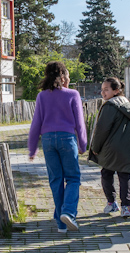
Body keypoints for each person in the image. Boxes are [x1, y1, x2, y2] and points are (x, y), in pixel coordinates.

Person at [28, 61, 88, 232]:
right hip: (67, 140)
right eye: (67, 77)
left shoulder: (42, 96)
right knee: (73, 178)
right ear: (62, 78)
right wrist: (83, 144)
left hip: (47, 141)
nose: (68, 80)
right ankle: (68, 212)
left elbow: (36, 124)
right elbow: (80, 124)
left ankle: (61, 224)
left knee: (56, 180)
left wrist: (32, 149)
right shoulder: (73, 94)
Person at [89, 77, 130, 218]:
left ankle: (112, 203)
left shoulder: (110, 106)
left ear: (116, 90)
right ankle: (126, 207)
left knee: (106, 174)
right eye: (102, 90)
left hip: (111, 149)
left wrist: (95, 147)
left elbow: (102, 129)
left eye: (106, 90)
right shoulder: (128, 105)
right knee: (124, 176)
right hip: (127, 149)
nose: (103, 93)